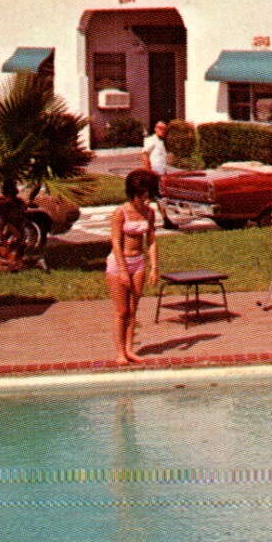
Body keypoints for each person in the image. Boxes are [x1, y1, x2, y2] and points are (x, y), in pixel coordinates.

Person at [106, 169, 161, 366]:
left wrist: (154, 267)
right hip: (119, 263)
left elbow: (151, 240)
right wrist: (122, 271)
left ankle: (129, 349)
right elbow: (115, 242)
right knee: (121, 310)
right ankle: (120, 352)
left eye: (146, 194)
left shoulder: (149, 212)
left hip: (138, 262)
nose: (143, 199)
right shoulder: (120, 213)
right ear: (133, 192)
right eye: (140, 194)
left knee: (132, 309)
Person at [139, 121, 179, 229]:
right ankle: (142, 220)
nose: (162, 131)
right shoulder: (151, 140)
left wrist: (164, 174)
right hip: (153, 175)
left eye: (164, 129)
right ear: (155, 129)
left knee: (158, 198)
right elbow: (144, 155)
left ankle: (165, 220)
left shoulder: (160, 142)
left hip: (160, 175)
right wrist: (149, 172)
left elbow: (160, 160)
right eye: (160, 128)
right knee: (151, 197)